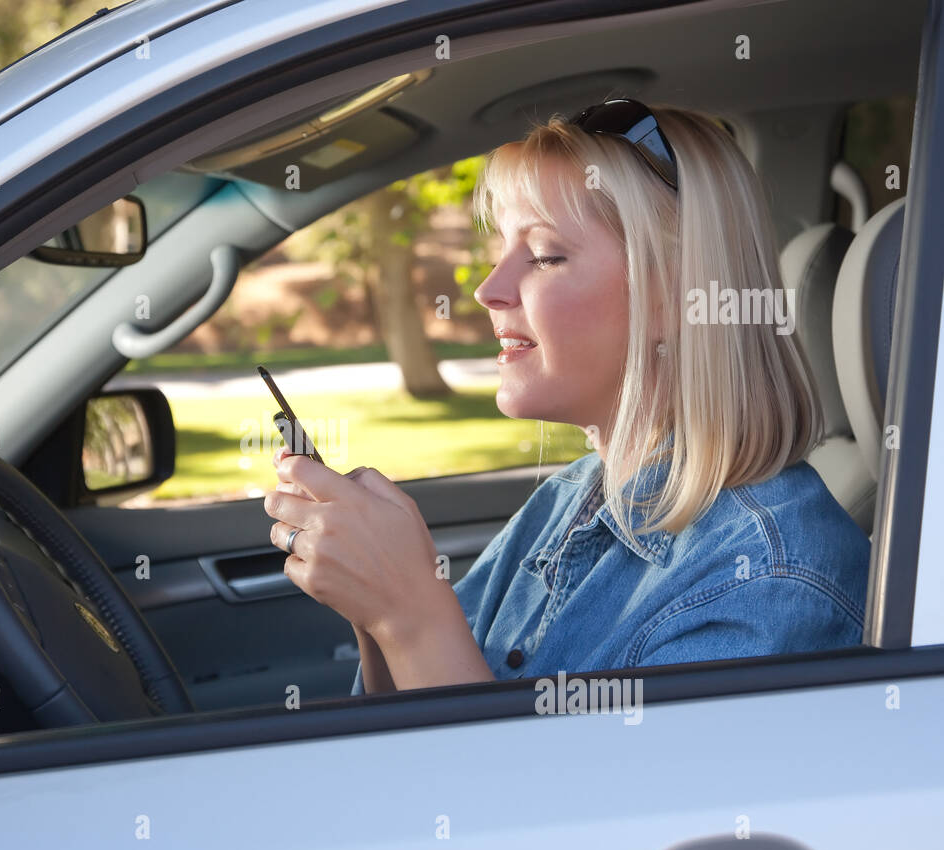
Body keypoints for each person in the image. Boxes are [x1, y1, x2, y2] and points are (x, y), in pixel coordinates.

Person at [262, 100, 870, 694]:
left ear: (675, 297)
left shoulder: (768, 580)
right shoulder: (572, 497)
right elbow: (410, 741)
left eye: (546, 255)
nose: (487, 290)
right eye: (501, 249)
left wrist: (409, 612)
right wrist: (375, 603)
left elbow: (525, 800)